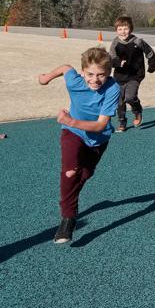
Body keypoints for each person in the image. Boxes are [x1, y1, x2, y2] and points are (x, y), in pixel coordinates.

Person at [37, 47, 121, 244]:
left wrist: (69, 120)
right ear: (82, 72)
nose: (95, 80)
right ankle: (68, 219)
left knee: (85, 174)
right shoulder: (75, 80)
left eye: (101, 75)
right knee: (70, 172)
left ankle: (70, 201)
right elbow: (66, 68)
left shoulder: (112, 89)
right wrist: (45, 78)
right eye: (90, 74)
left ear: (109, 74)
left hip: (98, 139)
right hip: (72, 134)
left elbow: (100, 125)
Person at [107, 15, 155, 131]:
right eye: (120, 29)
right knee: (119, 101)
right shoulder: (115, 42)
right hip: (119, 77)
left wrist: (152, 65)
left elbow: (150, 53)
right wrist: (118, 62)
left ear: (131, 29)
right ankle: (122, 122)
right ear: (116, 30)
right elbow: (111, 58)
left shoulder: (138, 41)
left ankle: (137, 110)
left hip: (135, 75)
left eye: (125, 28)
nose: (123, 32)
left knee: (130, 97)